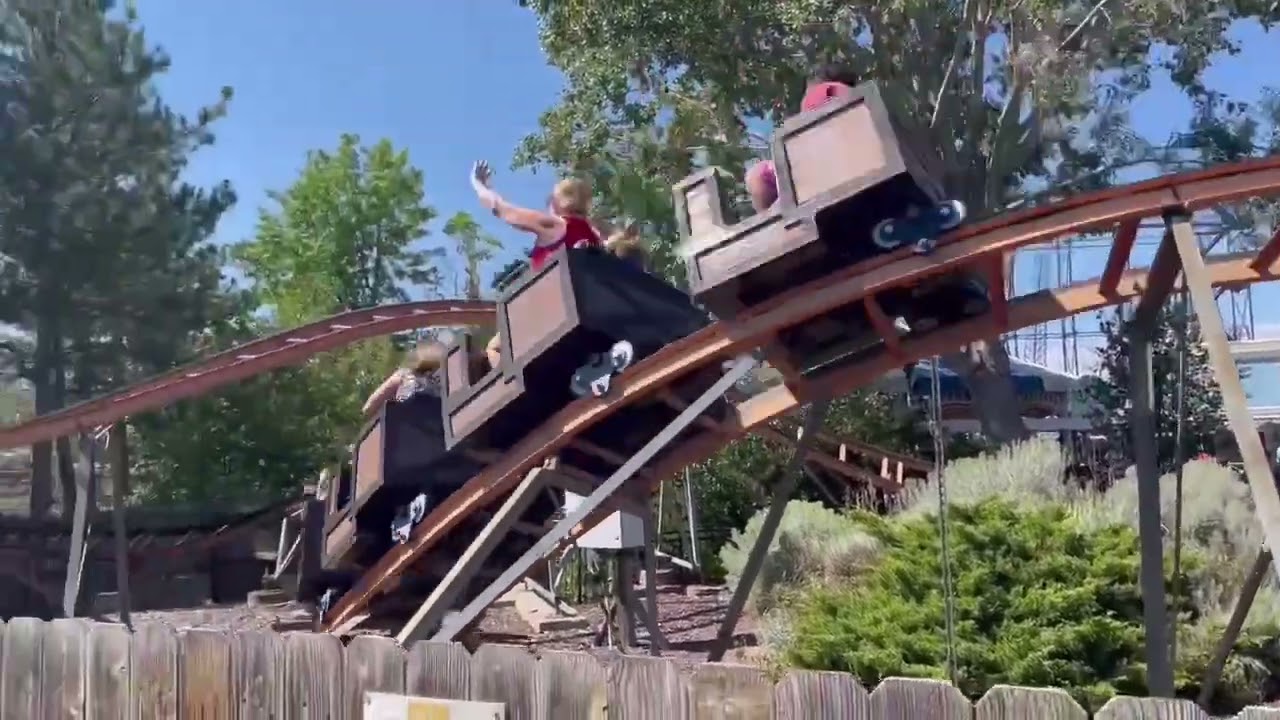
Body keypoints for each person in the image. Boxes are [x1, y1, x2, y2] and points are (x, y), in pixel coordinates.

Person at [746, 64, 862, 212]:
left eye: (807, 91)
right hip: (842, 165)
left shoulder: (827, 91)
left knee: (758, 173)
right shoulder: (857, 100)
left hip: (819, 173)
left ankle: (771, 221)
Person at [469, 161, 603, 271]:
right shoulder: (594, 234)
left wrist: (478, 184)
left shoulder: (558, 226)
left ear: (560, 203)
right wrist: (489, 188)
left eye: (550, 199)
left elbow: (503, 210)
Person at [362, 342, 445, 417]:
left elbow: (368, 408)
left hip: (406, 426)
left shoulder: (403, 375)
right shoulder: (444, 380)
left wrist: (391, 404)